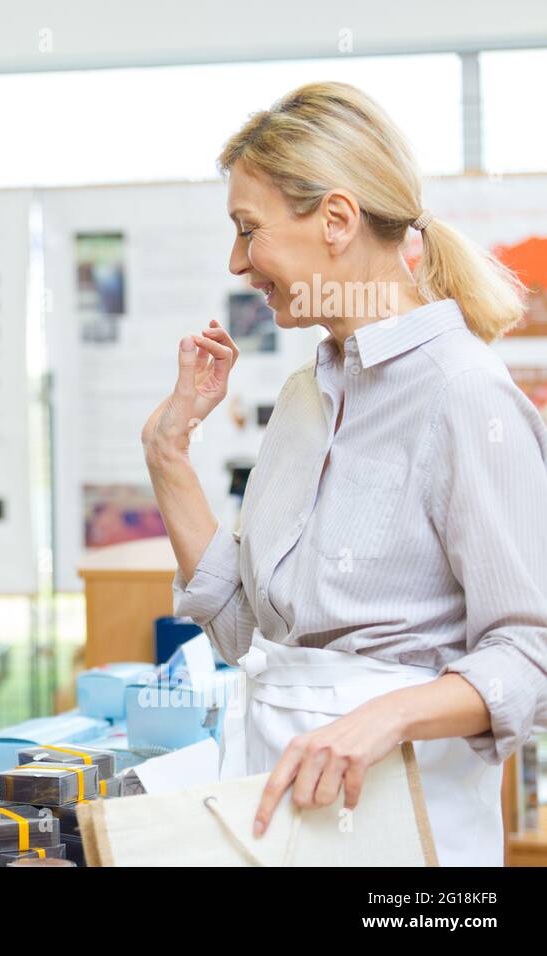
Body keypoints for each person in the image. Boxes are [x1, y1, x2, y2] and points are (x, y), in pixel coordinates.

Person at [142, 82, 547, 866]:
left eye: (247, 229)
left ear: (335, 219)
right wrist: (167, 453)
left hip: (406, 829)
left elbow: (532, 655)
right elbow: (246, 633)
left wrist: (388, 716)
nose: (237, 261)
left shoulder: (465, 394)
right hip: (281, 809)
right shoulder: (304, 397)